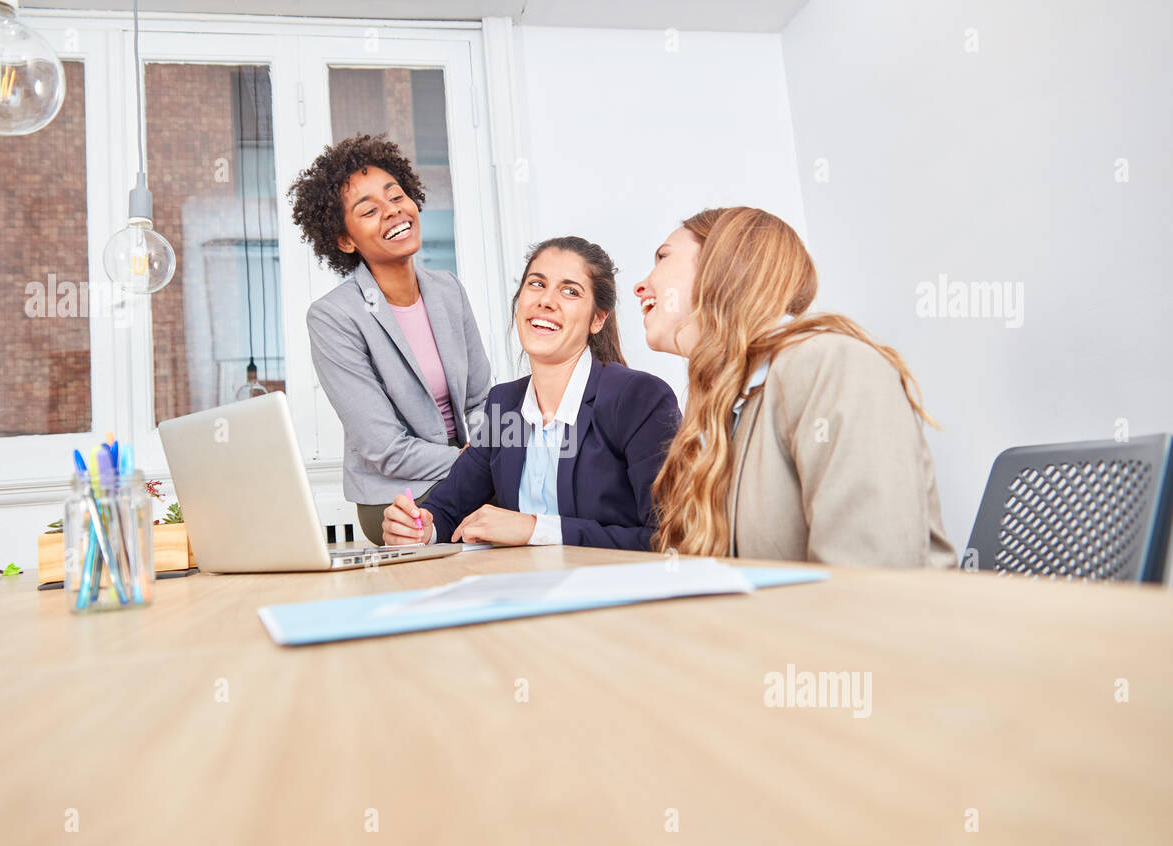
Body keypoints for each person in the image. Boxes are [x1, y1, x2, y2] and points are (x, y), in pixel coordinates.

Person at [635, 206, 956, 567]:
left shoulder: (831, 365)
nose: (640, 285)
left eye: (663, 257)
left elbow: (871, 582)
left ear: (722, 261)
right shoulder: (721, 407)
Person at [382, 237, 680, 550]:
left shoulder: (640, 399)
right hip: (521, 587)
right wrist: (419, 529)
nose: (546, 301)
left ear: (597, 318)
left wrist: (536, 529)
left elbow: (671, 537)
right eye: (536, 284)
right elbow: (445, 509)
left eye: (570, 291)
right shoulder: (504, 404)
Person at [288, 134, 491, 545]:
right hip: (399, 490)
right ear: (345, 240)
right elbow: (384, 448)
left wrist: (492, 455)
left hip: (469, 465)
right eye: (368, 211)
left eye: (395, 195)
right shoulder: (334, 316)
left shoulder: (448, 289)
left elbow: (480, 399)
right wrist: (476, 463)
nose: (392, 211)